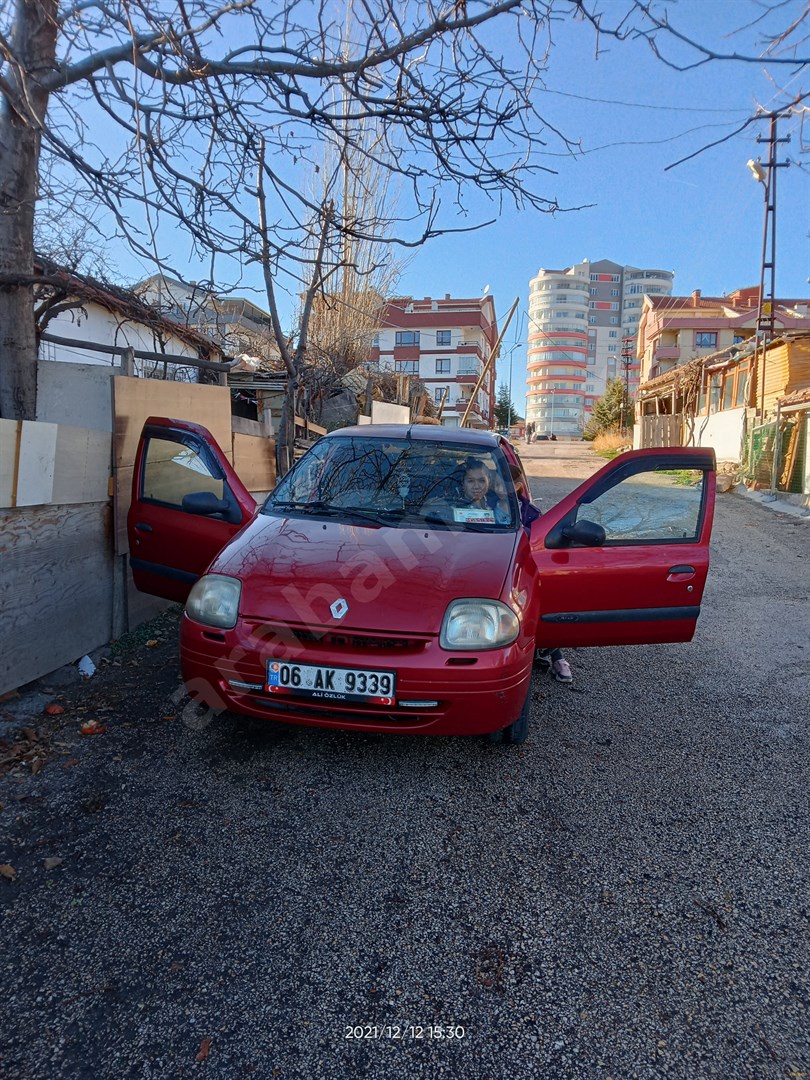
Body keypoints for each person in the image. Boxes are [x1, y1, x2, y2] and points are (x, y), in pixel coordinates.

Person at [508, 464, 573, 684]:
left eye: (504, 482)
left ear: (517, 486)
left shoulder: (531, 513)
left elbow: (539, 542)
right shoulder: (484, 506)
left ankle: (556, 655)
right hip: (500, 569)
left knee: (541, 608)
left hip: (524, 569)